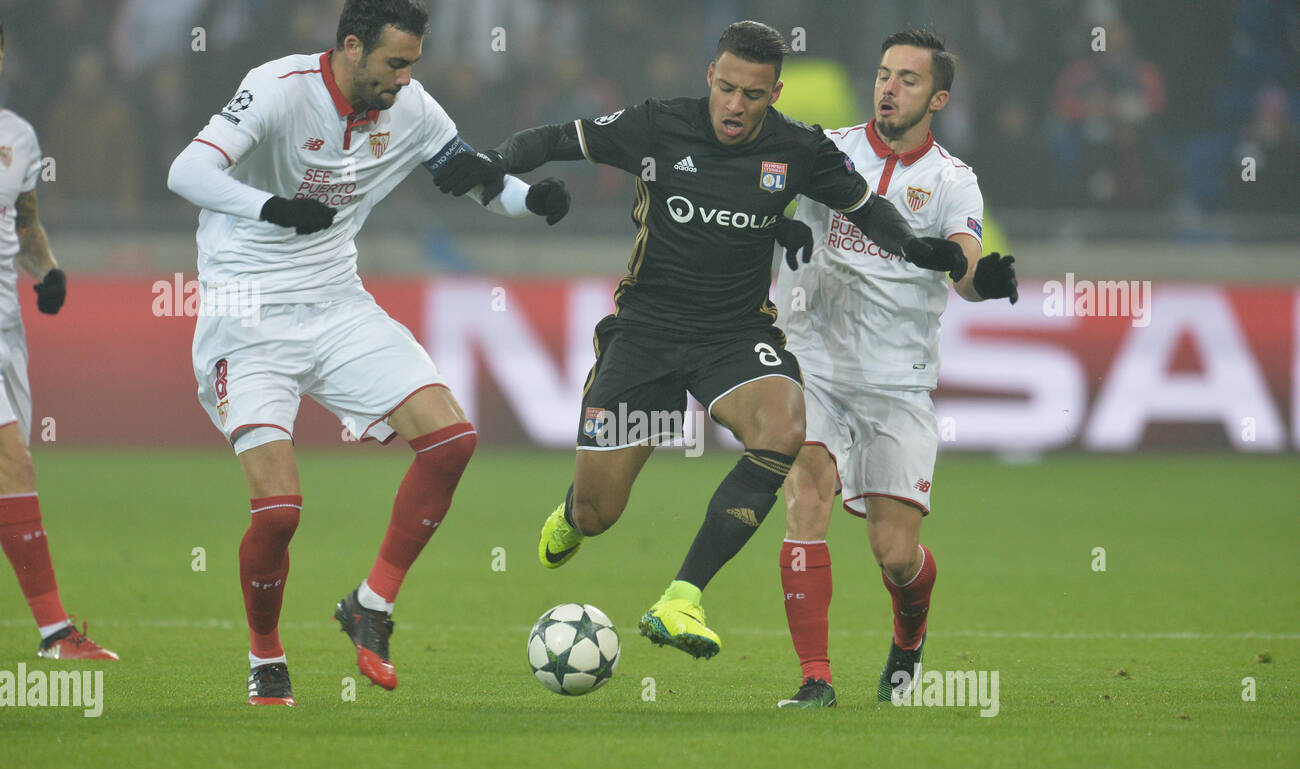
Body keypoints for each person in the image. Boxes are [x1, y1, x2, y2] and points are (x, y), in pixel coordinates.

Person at [434, 20, 967, 659]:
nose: (735, 106)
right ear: (709, 79)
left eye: (753, 94)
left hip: (734, 333)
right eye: (726, 88)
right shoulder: (660, 125)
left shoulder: (798, 148)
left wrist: (913, 245)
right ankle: (575, 513)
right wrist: (493, 162)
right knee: (601, 513)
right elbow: (561, 138)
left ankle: (682, 598)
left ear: (774, 93)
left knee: (783, 425)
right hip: (646, 334)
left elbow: (864, 208)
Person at [166, 0, 570, 705]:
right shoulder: (278, 87)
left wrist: (533, 201)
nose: (406, 79)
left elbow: (473, 177)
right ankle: (266, 655)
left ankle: (370, 606)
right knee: (280, 513)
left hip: (337, 305)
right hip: (247, 316)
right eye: (395, 63)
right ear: (351, 47)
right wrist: (272, 208)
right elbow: (185, 173)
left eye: (413, 64)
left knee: (450, 441)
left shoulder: (410, 108)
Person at [770, 29, 1018, 708]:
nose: (889, 87)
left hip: (896, 381)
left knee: (894, 552)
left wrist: (982, 278)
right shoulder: (829, 152)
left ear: (937, 98)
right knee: (806, 498)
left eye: (908, 79)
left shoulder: (951, 179)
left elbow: (963, 263)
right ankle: (815, 678)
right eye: (883, 74)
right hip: (812, 360)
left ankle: (908, 637)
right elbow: (761, 194)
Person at [0, 21, 118, 661]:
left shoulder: (17, 136)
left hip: (8, 330)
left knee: (11, 472)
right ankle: (54, 633)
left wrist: (47, 272)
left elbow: (24, 222)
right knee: (11, 460)